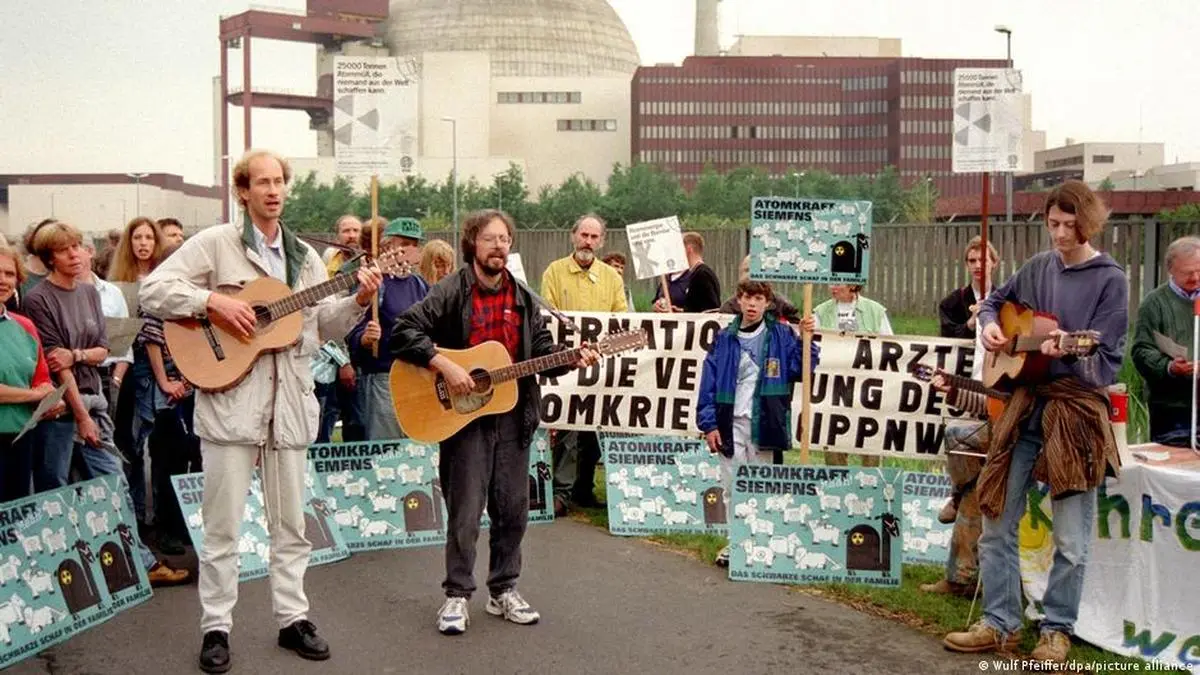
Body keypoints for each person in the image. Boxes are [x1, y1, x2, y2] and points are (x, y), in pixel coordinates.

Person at [139, 148, 382, 673]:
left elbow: (323, 327)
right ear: (243, 191)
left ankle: (293, 619)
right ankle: (216, 628)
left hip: (290, 405)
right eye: (262, 183)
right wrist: (213, 304)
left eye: (279, 182)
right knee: (222, 526)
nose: (273, 191)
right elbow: (153, 289)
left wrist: (359, 302)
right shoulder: (216, 243)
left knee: (290, 526)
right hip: (231, 402)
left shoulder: (304, 256)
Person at [391, 209, 600, 636]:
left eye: (505, 239)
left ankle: (503, 589)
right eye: (490, 239)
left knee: (513, 511)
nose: (498, 246)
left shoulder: (524, 297)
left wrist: (572, 357)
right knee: (466, 512)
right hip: (463, 419)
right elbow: (404, 330)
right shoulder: (451, 290)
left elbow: (541, 350)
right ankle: (456, 595)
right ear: (472, 243)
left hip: (513, 417)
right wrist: (444, 365)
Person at [943, 180, 1127, 664]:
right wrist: (989, 326)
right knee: (997, 517)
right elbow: (991, 302)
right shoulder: (1038, 267)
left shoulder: (1111, 279)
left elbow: (1107, 358)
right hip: (1025, 403)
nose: (1061, 234)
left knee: (1071, 536)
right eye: (1053, 224)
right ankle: (1000, 622)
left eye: (1070, 225)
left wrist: (1069, 350)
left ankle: (1056, 630)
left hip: (1076, 411)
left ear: (1088, 223)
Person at [23, 221, 190, 588]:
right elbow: (55, 365)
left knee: (113, 483)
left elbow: (103, 350)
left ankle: (139, 562)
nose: (76, 254)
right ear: (51, 257)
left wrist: (78, 355)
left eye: (79, 246)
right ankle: (56, 574)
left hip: (93, 400)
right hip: (61, 410)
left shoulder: (88, 294)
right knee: (56, 490)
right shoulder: (38, 299)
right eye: (66, 249)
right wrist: (81, 416)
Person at [697, 278, 819, 567]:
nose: (752, 304)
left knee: (762, 486)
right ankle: (736, 542)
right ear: (739, 300)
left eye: (758, 298)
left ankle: (761, 542)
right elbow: (708, 383)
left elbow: (802, 370)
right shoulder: (724, 338)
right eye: (747, 297)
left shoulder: (781, 335)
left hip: (765, 423)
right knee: (731, 486)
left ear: (767, 303)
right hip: (730, 423)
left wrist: (806, 340)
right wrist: (709, 424)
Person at [541, 214, 627, 512]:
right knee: (567, 428)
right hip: (566, 363)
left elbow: (622, 320)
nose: (588, 242)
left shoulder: (612, 277)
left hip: (600, 364)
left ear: (601, 241)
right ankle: (561, 493)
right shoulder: (554, 272)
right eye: (584, 235)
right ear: (573, 236)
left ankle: (584, 489)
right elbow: (547, 316)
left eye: (594, 237)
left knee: (594, 428)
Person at [931, 236, 999, 525]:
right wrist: (968, 326)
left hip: (998, 387)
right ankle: (959, 495)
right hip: (969, 388)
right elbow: (945, 338)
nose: (977, 266)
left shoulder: (1006, 302)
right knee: (960, 441)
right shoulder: (953, 301)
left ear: (994, 263)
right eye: (971, 261)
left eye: (983, 260)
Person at [346, 217, 429, 440]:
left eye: (414, 244)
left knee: (417, 451)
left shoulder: (421, 285)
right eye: (404, 244)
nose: (410, 250)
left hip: (418, 377)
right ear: (387, 247)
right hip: (384, 378)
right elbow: (348, 326)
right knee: (386, 452)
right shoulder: (374, 283)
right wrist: (363, 338)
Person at [802, 284, 892, 467]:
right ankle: (838, 490)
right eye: (830, 282)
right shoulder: (820, 312)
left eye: (837, 282)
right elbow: (810, 347)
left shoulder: (875, 311)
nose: (831, 287)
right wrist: (804, 332)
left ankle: (869, 490)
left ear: (852, 284)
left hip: (867, 391)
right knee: (833, 443)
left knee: (870, 446)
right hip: (834, 392)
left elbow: (890, 347)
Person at [0, 243, 60, 502]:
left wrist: (50, 400)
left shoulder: (24, 325)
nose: (3, 280)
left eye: (9, 274)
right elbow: (34, 390)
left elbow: (42, 379)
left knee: (16, 521)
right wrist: (33, 395)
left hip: (21, 438)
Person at [1131, 235, 1200, 445]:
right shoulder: (1154, 304)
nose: (1196, 278)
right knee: (1174, 473)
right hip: (1171, 411)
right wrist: (1169, 367)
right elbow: (1141, 351)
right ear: (1170, 269)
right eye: (1188, 273)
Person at [652, 232, 721, 313]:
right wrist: (680, 311)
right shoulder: (697, 273)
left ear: (689, 249)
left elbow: (710, 310)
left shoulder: (702, 274)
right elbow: (694, 308)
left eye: (678, 249)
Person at [718, 255, 799, 322]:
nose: (751, 275)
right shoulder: (728, 308)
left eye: (757, 271)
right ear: (740, 273)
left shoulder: (782, 305)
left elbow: (796, 328)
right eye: (747, 270)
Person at [107, 216, 165, 283]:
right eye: (137, 237)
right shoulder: (117, 277)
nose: (143, 243)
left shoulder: (167, 276)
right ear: (129, 242)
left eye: (149, 237)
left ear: (156, 241)